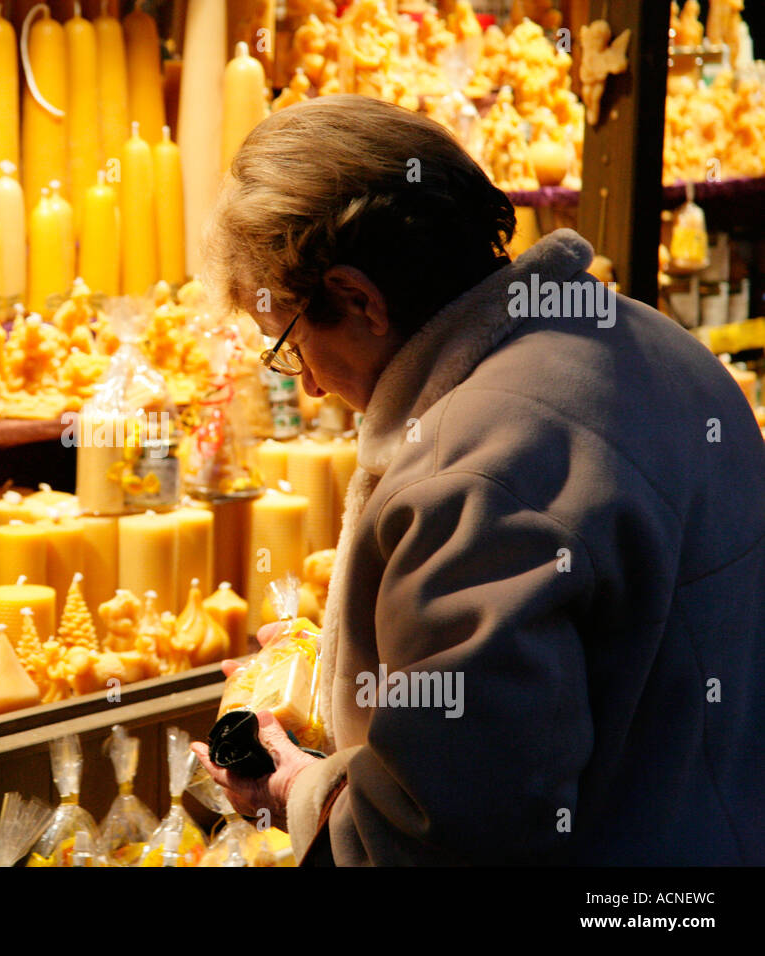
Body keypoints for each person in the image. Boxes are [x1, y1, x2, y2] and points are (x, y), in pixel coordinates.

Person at [190, 95, 765, 865]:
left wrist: (305, 793)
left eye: (289, 345)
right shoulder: (656, 341)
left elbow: (457, 830)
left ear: (359, 298)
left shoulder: (467, 472)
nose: (314, 389)